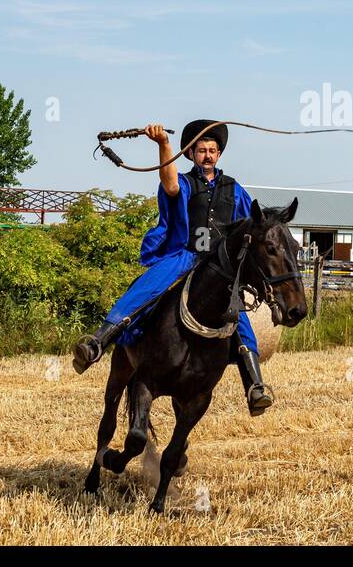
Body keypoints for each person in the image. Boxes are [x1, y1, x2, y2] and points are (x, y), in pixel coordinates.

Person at [71, 120, 274, 415]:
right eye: (202, 150)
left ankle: (255, 385)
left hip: (222, 269)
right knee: (148, 287)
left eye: (212, 150)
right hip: (186, 256)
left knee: (237, 316)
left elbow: (252, 223)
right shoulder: (186, 182)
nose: (207, 155)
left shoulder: (235, 188)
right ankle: (97, 342)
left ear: (219, 154)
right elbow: (169, 184)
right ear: (190, 154)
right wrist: (163, 144)